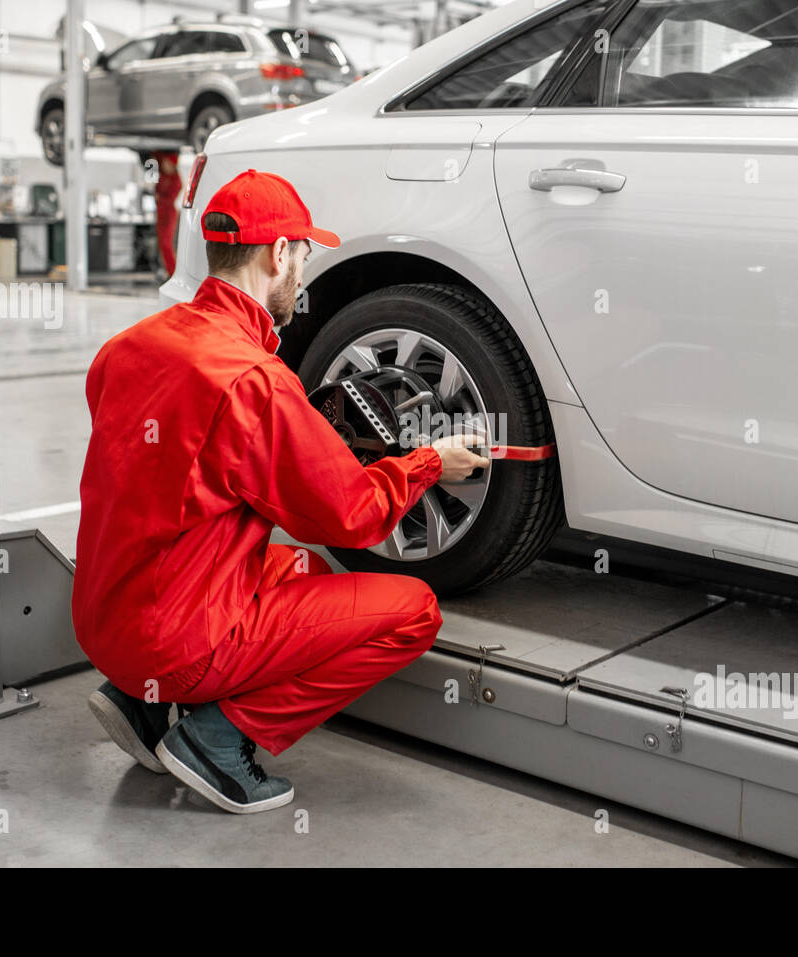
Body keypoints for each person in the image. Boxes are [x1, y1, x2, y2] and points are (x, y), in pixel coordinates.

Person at [72, 168, 487, 814]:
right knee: (414, 609)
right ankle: (217, 737)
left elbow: (179, 478)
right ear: (277, 254)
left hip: (103, 621)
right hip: (177, 642)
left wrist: (298, 441)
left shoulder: (125, 349)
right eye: (303, 253)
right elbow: (352, 514)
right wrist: (427, 463)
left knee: (302, 568)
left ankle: (140, 699)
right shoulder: (256, 383)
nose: (303, 269)